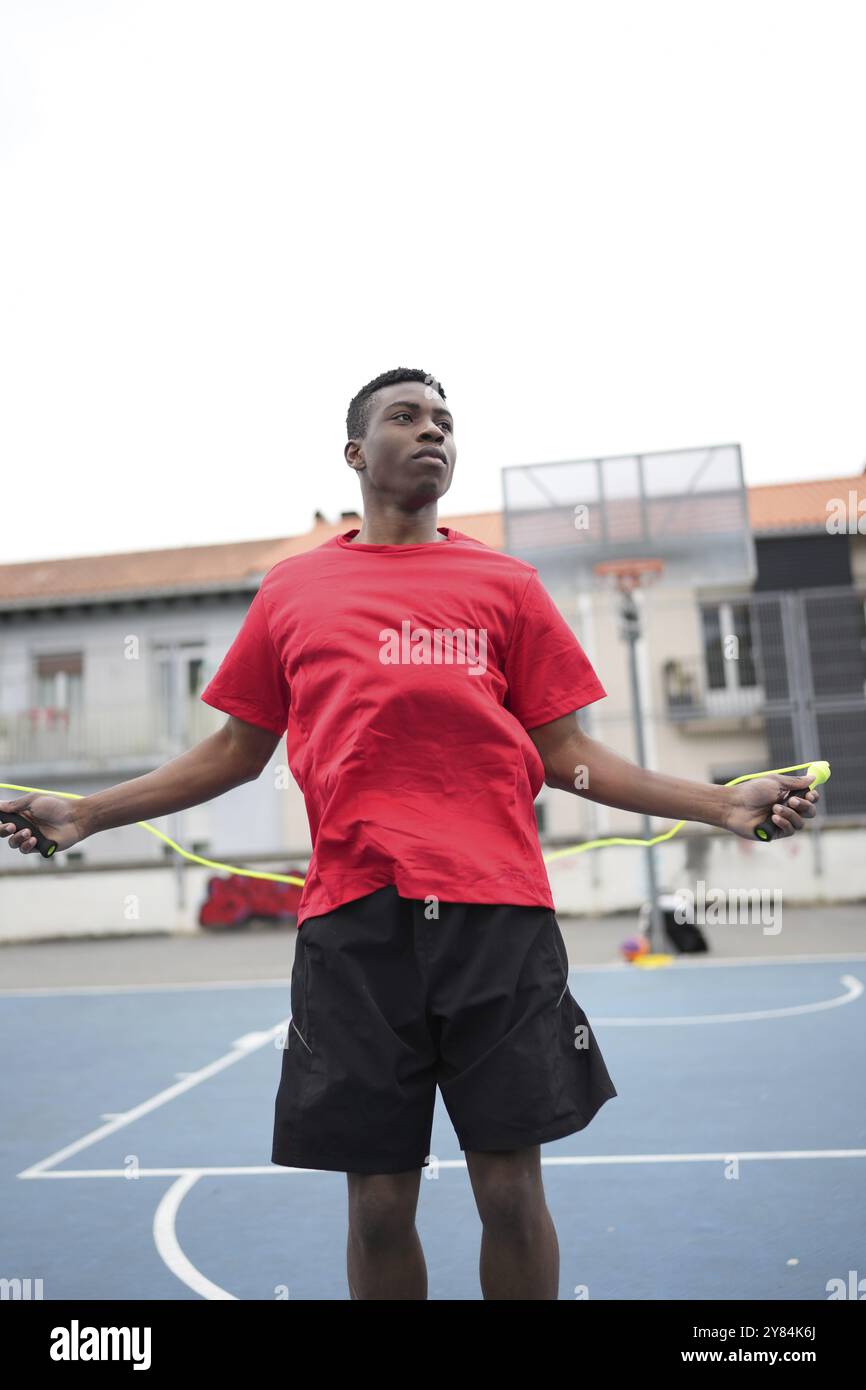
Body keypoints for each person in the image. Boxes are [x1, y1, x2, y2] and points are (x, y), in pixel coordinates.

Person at [0, 367, 820, 1301]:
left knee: (508, 1191)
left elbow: (570, 753)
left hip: (498, 922)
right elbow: (232, 752)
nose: (433, 430)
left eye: (445, 420)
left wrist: (724, 802)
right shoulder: (292, 593)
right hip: (356, 930)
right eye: (406, 416)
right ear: (355, 453)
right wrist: (86, 813)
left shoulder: (504, 585)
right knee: (379, 1206)